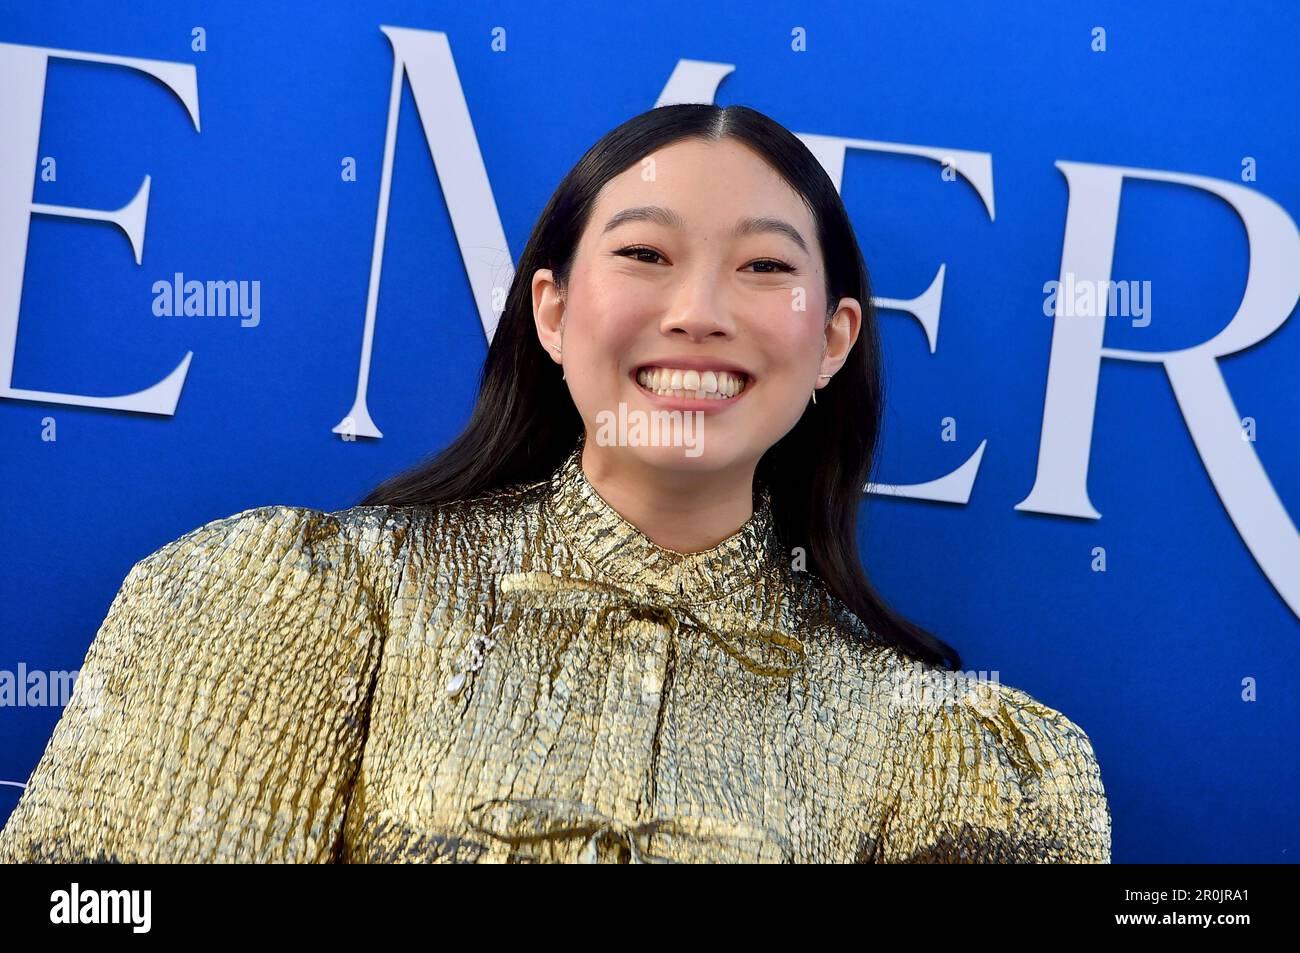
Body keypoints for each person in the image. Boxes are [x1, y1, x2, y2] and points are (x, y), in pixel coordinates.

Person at [0, 103, 1110, 864]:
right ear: (551, 309)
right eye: (644, 254)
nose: (699, 311)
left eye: (764, 266)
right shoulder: (312, 601)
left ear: (832, 340)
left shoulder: (941, 748)